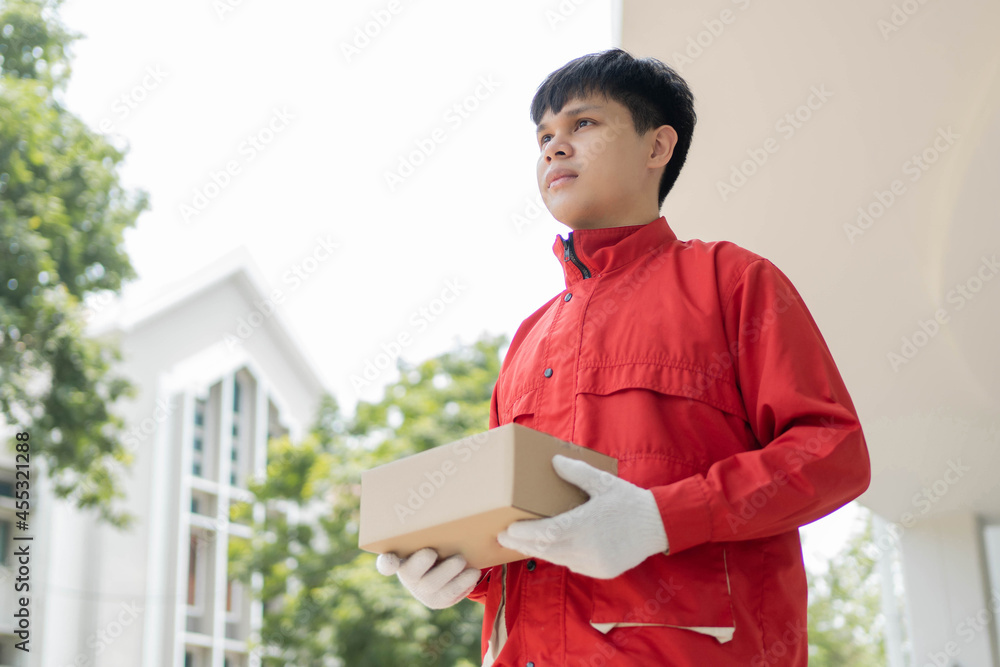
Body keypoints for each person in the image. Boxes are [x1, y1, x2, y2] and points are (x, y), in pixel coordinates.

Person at [376, 48, 871, 666]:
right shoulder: (528, 340)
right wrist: (458, 570)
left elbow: (834, 453)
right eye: (544, 136)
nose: (555, 147)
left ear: (658, 147)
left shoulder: (733, 282)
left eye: (582, 124)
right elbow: (527, 532)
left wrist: (662, 518)